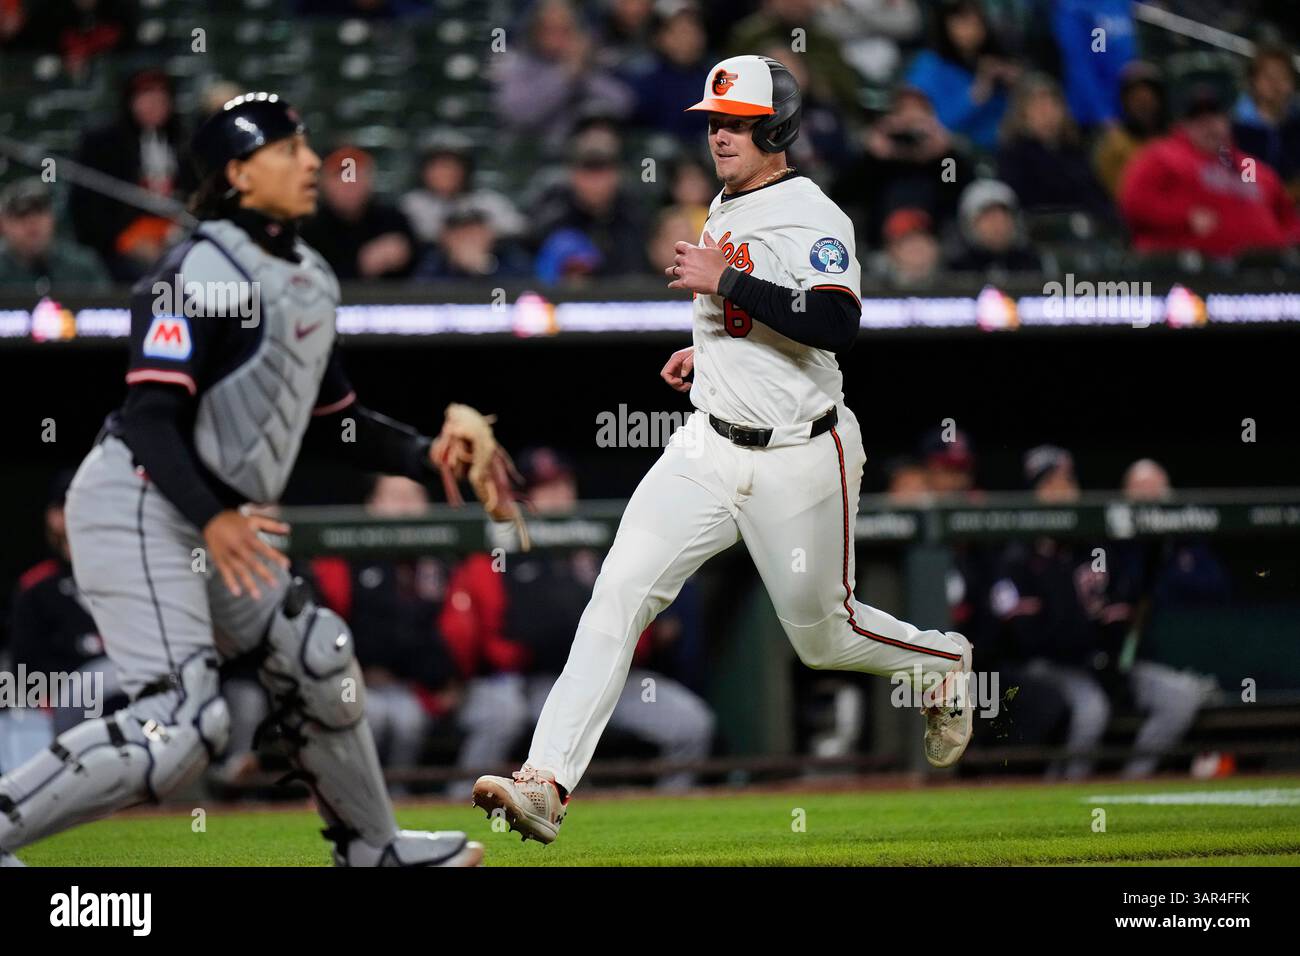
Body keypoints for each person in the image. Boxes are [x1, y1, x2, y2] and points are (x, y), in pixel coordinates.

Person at [0, 92, 512, 867]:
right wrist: (214, 518)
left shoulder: (308, 274)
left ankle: (373, 849)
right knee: (179, 728)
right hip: (137, 504)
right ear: (238, 172)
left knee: (316, 654)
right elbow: (147, 419)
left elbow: (333, 418)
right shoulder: (195, 270)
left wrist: (424, 456)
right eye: (289, 150)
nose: (312, 162)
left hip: (209, 519)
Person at [472, 55, 973, 845]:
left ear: (776, 127)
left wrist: (726, 286)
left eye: (736, 122)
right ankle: (547, 783)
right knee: (617, 595)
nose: (719, 135)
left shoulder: (814, 213)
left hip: (803, 455)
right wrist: (711, 350)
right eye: (712, 121)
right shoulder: (726, 202)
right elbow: (757, 314)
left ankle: (940, 663)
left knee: (823, 636)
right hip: (707, 445)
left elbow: (836, 323)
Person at [443, 448, 714, 794]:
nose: (558, 496)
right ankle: (462, 803)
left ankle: (663, 817)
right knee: (512, 716)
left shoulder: (604, 543)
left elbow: (641, 627)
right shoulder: (499, 553)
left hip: (616, 677)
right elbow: (489, 642)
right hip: (533, 682)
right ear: (524, 497)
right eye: (545, 488)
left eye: (563, 485)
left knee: (691, 723)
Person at [987, 446, 1214, 779]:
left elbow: (1120, 612)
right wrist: (1092, 646)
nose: (1061, 492)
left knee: (1181, 697)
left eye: (1067, 482)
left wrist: (1108, 653)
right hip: (1049, 669)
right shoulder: (1018, 556)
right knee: (1092, 709)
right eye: (1049, 485)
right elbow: (1029, 637)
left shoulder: (1096, 547)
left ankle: (1131, 785)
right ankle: (1064, 794)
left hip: (1105, 665)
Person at [1, 472, 125, 773]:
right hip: (66, 706)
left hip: (129, 700)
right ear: (54, 518)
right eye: (67, 510)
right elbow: (24, 670)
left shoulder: (126, 578)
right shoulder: (38, 587)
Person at [1119, 86, 1300, 258]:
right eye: (1198, 120)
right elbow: (1134, 203)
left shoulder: (1251, 166)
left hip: (1265, 275)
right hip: (1186, 274)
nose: (1209, 125)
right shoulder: (1162, 156)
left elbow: (1287, 216)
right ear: (1183, 125)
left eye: (1215, 117)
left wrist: (1286, 240)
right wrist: (1184, 217)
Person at [69, 68, 187, 281]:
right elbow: (88, 208)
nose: (154, 101)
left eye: (161, 94)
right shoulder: (102, 144)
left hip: (177, 238)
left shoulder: (183, 141)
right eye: (145, 94)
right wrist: (123, 240)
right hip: (121, 245)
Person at [903, 0, 1019, 152]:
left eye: (976, 20)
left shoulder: (991, 61)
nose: (972, 28)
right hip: (950, 156)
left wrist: (1016, 88)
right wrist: (976, 95)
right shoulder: (929, 66)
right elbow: (927, 122)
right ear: (945, 24)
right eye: (962, 20)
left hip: (999, 152)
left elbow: (1006, 124)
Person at [996, 74, 1112, 218]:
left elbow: (1096, 197)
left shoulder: (1075, 150)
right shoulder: (1013, 155)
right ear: (1022, 114)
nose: (1047, 112)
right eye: (1038, 106)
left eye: (1052, 104)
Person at [299, 146, 417, 280]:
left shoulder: (393, 220)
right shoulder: (309, 227)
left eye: (358, 176)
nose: (351, 185)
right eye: (341, 178)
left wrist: (405, 254)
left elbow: (421, 276)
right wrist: (360, 266)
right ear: (324, 183)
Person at [398, 130, 525, 247]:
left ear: (466, 170)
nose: (444, 173)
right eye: (437, 166)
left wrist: (482, 233)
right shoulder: (412, 203)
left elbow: (519, 228)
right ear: (423, 171)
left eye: (451, 166)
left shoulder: (488, 201)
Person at [0, 179, 109, 294]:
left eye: (40, 211)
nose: (32, 221)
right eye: (21, 214)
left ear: (52, 218)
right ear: (3, 223)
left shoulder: (82, 266)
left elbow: (108, 307)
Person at [1232, 44, 1300, 201]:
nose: (1275, 84)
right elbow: (1243, 183)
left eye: (1283, 77)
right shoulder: (1235, 129)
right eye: (1268, 77)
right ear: (1253, 81)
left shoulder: (1296, 127)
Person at [1093, 61, 1168, 198]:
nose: (1143, 104)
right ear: (1124, 103)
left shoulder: (1176, 140)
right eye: (1135, 98)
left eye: (1148, 96)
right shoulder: (1113, 146)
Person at [948, 178, 1042, 274]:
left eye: (1003, 217)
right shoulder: (957, 270)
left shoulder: (1031, 264)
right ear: (969, 224)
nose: (997, 226)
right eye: (988, 218)